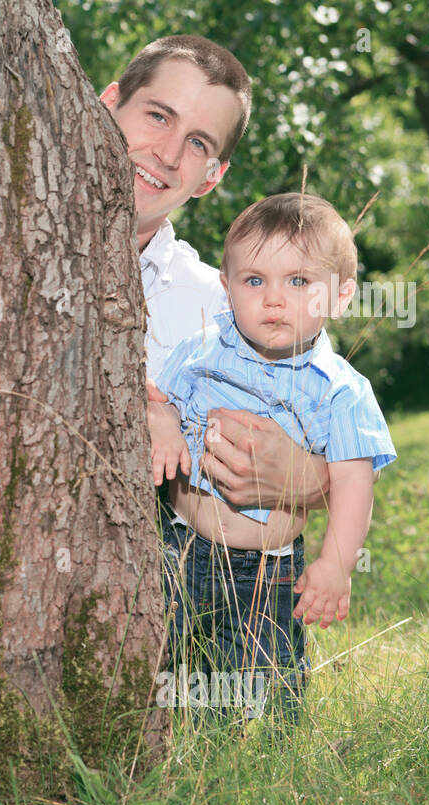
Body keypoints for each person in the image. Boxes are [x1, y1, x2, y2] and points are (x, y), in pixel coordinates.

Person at [148, 193, 397, 724]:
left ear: (342, 295)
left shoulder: (341, 391)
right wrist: (164, 420)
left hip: (267, 571)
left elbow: (354, 484)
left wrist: (335, 564)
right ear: (227, 287)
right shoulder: (199, 351)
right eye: (254, 280)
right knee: (155, 660)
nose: (274, 300)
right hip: (177, 546)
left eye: (299, 282)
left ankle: (264, 758)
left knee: (264, 680)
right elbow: (155, 399)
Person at [100, 35, 334, 512]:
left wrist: (304, 478)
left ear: (212, 176)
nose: (166, 155)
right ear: (108, 104)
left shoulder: (225, 305)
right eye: (158, 116)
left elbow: (336, 433)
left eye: (197, 143)